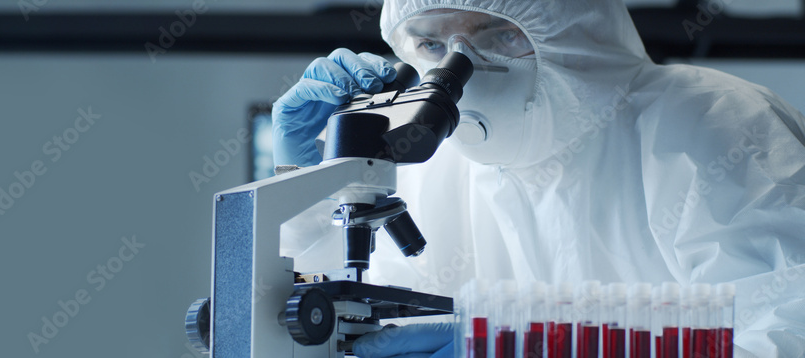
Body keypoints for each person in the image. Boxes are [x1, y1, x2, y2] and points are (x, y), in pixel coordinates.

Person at [272, 0, 805, 357]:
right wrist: (300, 190)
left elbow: (781, 334)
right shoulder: (433, 160)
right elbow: (333, 312)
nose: (460, 73)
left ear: (578, 32)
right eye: (432, 46)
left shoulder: (709, 121)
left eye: (501, 35)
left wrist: (538, 346)